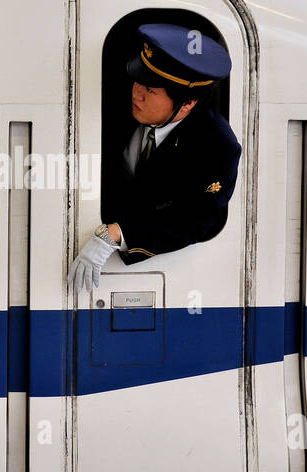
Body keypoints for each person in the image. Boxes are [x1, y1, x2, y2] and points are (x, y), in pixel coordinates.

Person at [68, 22, 242, 293]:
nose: (136, 93)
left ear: (187, 103)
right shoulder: (117, 102)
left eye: (150, 90)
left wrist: (118, 233)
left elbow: (197, 219)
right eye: (138, 80)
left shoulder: (216, 145)